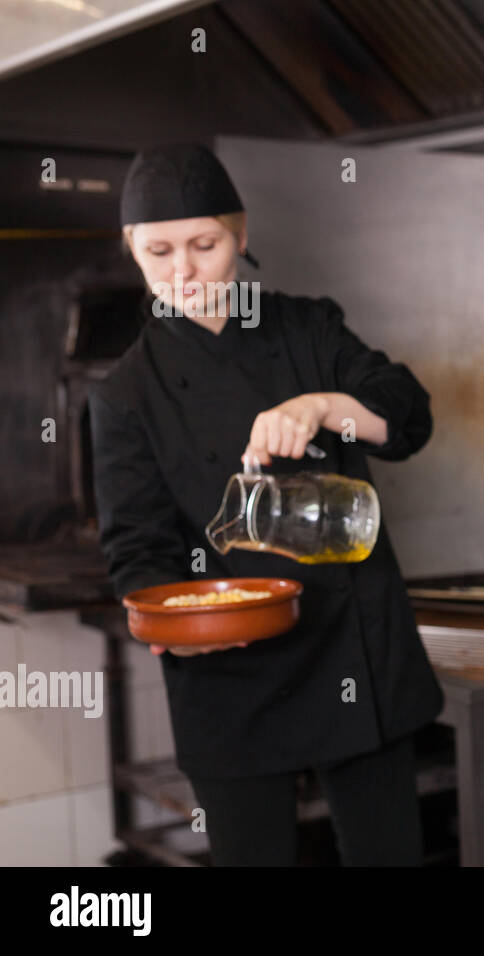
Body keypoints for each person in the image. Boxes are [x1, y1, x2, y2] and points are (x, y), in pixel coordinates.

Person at [90, 143, 443, 866]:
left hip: (356, 655)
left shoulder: (309, 330)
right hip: (230, 676)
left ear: (241, 235)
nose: (182, 271)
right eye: (158, 251)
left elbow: (408, 418)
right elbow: (137, 551)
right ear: (131, 248)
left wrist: (323, 405)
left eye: (204, 244)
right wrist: (172, 619)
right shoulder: (124, 393)